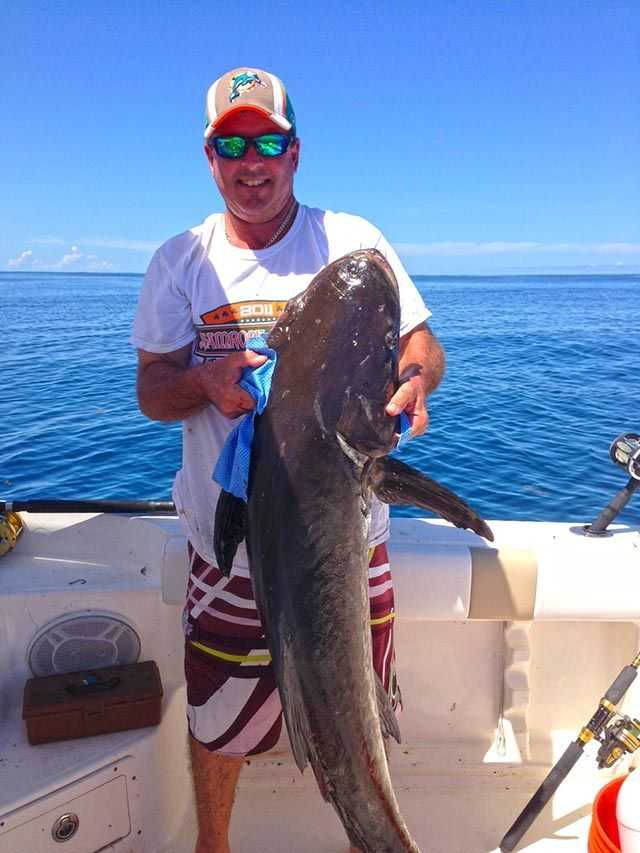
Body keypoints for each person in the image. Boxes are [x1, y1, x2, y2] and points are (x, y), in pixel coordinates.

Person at [131, 67, 445, 853]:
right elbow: (151, 390)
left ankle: (369, 834)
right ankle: (214, 845)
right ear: (210, 157)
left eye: (266, 140)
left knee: (360, 708)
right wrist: (201, 382)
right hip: (227, 542)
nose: (251, 160)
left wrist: (414, 380)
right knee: (219, 721)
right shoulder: (180, 259)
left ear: (295, 152)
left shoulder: (351, 239)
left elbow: (421, 345)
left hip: (352, 546)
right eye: (230, 143)